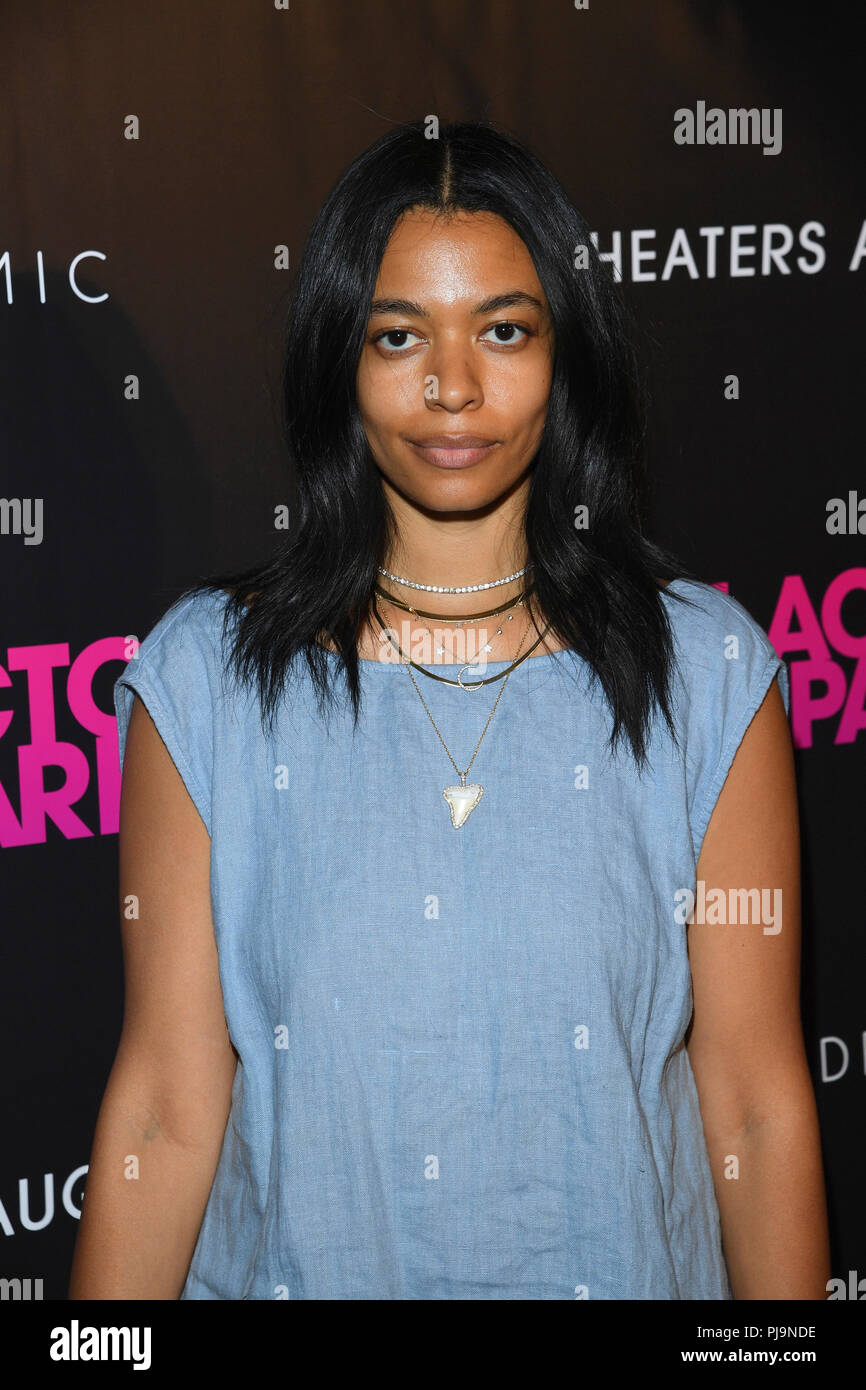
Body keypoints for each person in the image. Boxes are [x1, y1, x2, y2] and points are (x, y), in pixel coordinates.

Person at [69, 119, 830, 1300]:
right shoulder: (208, 682)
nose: (453, 386)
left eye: (504, 329)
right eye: (397, 334)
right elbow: (167, 1107)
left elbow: (752, 1101)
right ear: (340, 358)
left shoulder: (705, 673)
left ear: (564, 351)